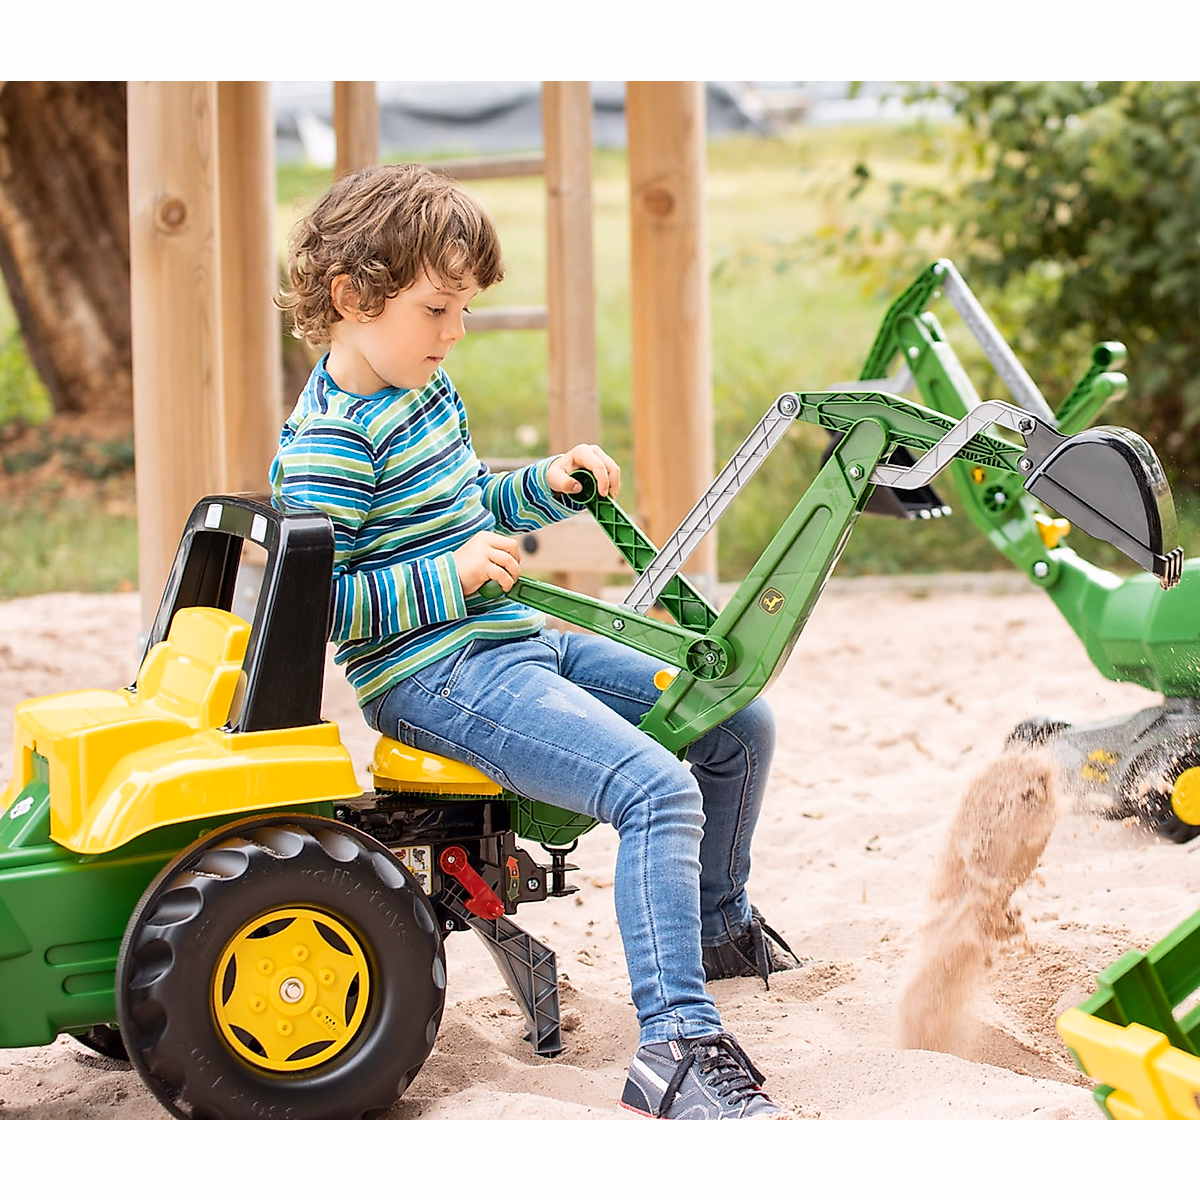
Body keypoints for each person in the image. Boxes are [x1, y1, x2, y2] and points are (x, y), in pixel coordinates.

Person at [271, 163, 799, 1120]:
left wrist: (544, 486)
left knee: (733, 722)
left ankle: (717, 930)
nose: (456, 332)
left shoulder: (420, 390)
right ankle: (676, 1046)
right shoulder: (328, 442)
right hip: (433, 675)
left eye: (464, 310)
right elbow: (322, 606)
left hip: (512, 644)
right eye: (437, 309)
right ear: (351, 297)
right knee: (655, 788)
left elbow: (470, 501)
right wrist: (452, 578)